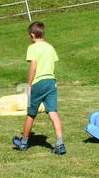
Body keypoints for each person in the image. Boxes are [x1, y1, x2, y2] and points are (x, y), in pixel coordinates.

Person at [13, 21, 64, 154]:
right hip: (51, 82)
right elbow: (52, 65)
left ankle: (23, 143)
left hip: (38, 83)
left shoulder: (32, 48)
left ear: (32, 35)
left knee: (31, 114)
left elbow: (34, 67)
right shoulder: (50, 47)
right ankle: (60, 144)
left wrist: (28, 85)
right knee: (53, 112)